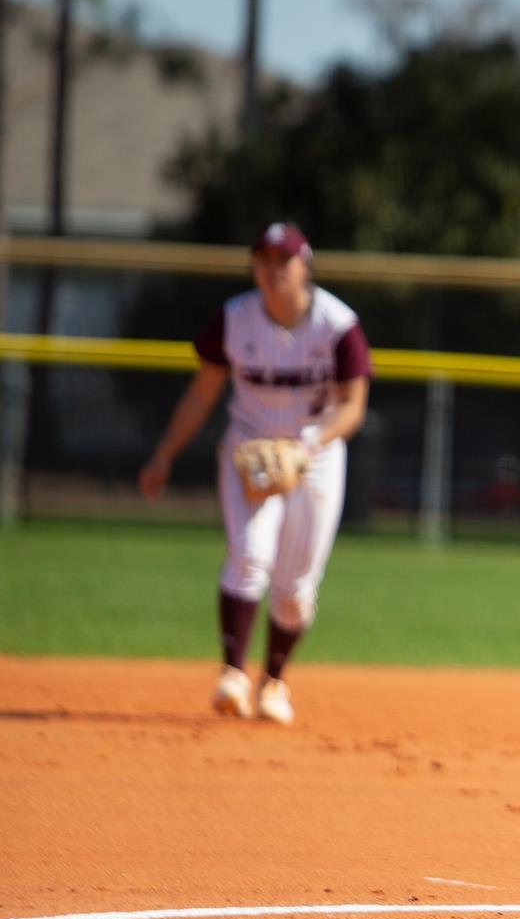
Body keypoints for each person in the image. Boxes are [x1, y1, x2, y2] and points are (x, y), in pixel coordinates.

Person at [138, 223, 371, 724]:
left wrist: (308, 446)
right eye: (263, 260)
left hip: (316, 455)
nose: (271, 270)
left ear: (304, 265)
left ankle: (275, 682)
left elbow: (352, 408)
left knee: (294, 589)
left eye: (282, 260)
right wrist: (164, 454)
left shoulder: (337, 324)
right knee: (248, 554)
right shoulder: (235, 319)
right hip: (249, 448)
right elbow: (203, 393)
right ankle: (232, 674)